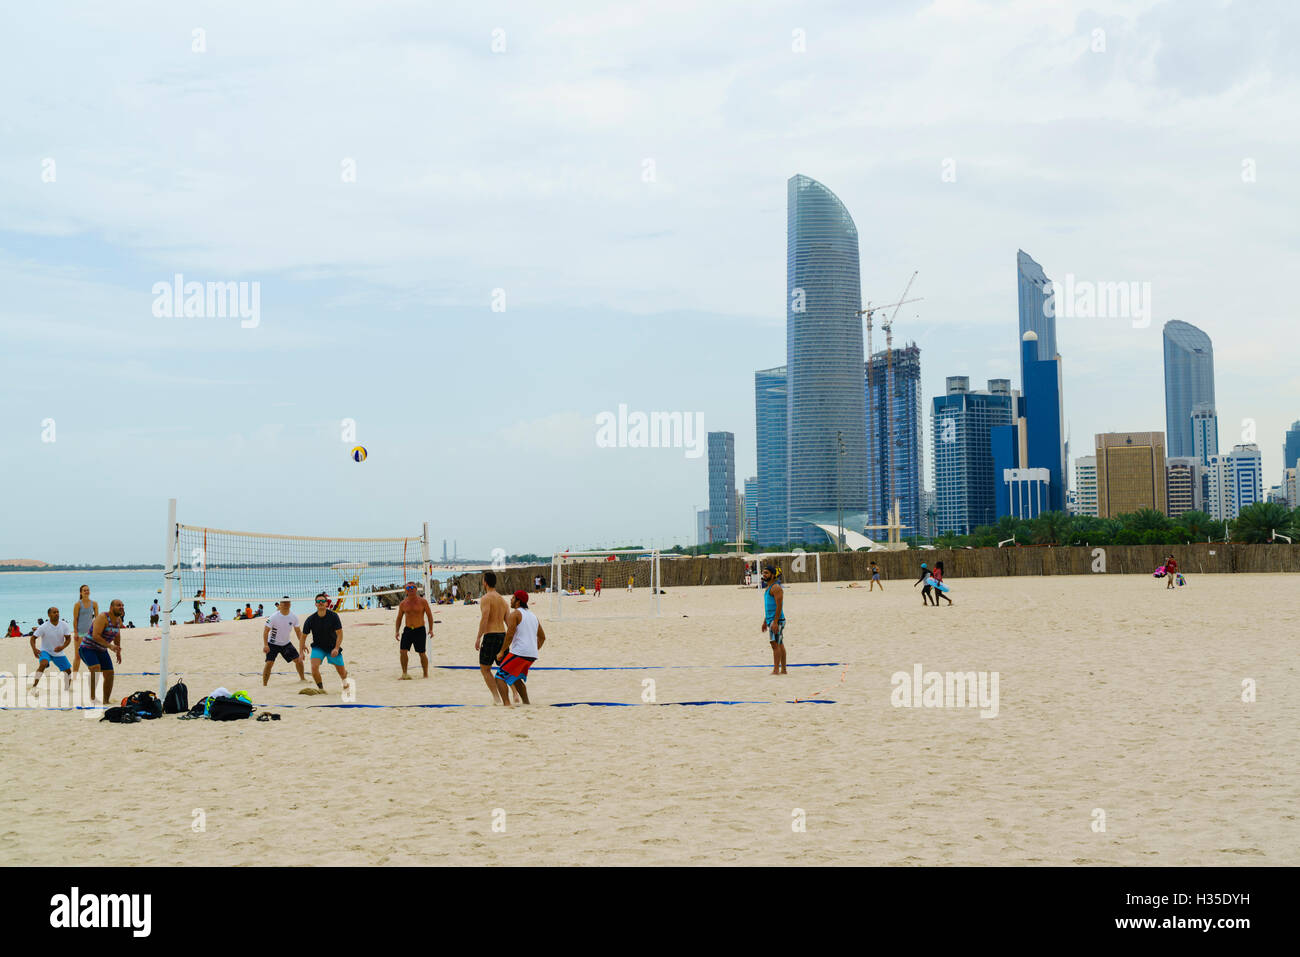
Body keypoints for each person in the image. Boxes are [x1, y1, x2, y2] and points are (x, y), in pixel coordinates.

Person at [495, 590, 546, 707]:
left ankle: (507, 704)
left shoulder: (515, 614)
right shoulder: (533, 616)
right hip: (532, 654)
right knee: (516, 678)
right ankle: (527, 703)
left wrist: (502, 651)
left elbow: (510, 634)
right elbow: (543, 637)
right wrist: (533, 649)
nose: (510, 600)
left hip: (520, 652)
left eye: (513, 598)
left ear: (518, 602)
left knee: (499, 676)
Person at [475, 571, 511, 703]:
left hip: (491, 635)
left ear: (485, 582)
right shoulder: (502, 599)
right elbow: (509, 622)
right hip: (502, 635)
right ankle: (515, 694)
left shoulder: (486, 598)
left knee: (485, 668)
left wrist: (479, 637)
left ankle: (496, 697)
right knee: (505, 668)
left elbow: (485, 618)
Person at [81, 598, 124, 705]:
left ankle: (105, 700)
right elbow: (96, 636)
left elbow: (117, 635)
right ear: (111, 607)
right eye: (118, 605)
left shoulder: (118, 620)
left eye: (122, 605)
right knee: (96, 668)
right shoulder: (102, 617)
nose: (121, 607)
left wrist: (118, 650)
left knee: (110, 674)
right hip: (87, 647)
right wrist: (110, 646)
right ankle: (92, 698)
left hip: (101, 649)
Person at [303, 592, 348, 692]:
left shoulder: (333, 616)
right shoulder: (310, 619)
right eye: (318, 601)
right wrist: (301, 648)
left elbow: (340, 634)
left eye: (323, 601)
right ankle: (321, 689)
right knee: (314, 667)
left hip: (332, 646)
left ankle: (345, 681)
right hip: (318, 647)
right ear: (315, 604)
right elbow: (303, 635)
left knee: (342, 673)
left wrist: (336, 648)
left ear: (327, 603)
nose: (320, 603)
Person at [262, 597, 306, 685]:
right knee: (269, 663)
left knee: (298, 661)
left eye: (287, 603)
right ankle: (265, 684)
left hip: (286, 644)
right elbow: (266, 631)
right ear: (280, 604)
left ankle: (303, 679)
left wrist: (303, 644)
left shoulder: (293, 617)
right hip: (272, 644)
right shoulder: (273, 617)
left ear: (290, 604)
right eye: (284, 603)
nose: (286, 604)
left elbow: (298, 632)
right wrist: (266, 645)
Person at [30, 606, 73, 695]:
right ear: (49, 615)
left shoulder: (64, 624)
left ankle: (67, 690)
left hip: (58, 652)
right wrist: (34, 649)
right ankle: (34, 686)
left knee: (68, 671)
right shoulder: (43, 626)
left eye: (58, 612)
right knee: (43, 664)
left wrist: (62, 647)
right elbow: (33, 638)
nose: (57, 614)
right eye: (54, 612)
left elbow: (68, 639)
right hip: (45, 651)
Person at [395, 582, 434, 679]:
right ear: (405, 590)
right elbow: (399, 618)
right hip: (408, 630)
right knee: (403, 651)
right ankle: (404, 673)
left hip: (420, 629)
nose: (410, 589)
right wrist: (397, 631)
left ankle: (425, 674)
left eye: (413, 587)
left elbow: (429, 615)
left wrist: (431, 629)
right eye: (408, 587)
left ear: (416, 589)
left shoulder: (423, 602)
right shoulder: (403, 603)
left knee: (422, 653)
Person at [760, 564, 787, 675]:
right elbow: (769, 607)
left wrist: (775, 622)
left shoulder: (776, 588)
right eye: (763, 573)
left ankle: (776, 670)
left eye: (766, 573)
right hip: (772, 620)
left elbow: (779, 606)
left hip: (777, 620)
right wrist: (765, 621)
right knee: (779, 643)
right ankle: (783, 670)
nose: (764, 575)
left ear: (772, 575)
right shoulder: (768, 588)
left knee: (775, 644)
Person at [72, 584, 98, 673]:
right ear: (81, 592)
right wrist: (75, 632)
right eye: (84, 590)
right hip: (79, 633)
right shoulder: (77, 604)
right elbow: (75, 619)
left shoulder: (94, 604)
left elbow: (97, 619)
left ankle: (93, 672)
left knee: (90, 654)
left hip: (90, 634)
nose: (87, 592)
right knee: (78, 656)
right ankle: (74, 676)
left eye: (88, 590)